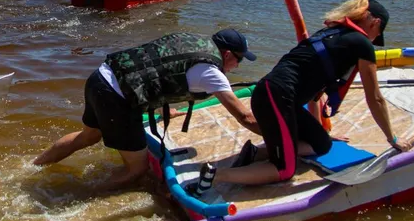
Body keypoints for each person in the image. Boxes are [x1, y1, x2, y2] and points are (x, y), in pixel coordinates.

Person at [188, 0, 400, 196]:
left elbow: (314, 94)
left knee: (322, 144)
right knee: (284, 170)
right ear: (375, 23)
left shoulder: (332, 34)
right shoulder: (361, 44)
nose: (374, 41)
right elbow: (375, 98)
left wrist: (320, 129)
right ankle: (215, 175)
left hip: (274, 95)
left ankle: (255, 153)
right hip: (277, 98)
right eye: (377, 35)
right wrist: (393, 138)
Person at [34, 29, 260, 189]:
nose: (238, 66)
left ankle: (34, 167)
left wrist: (164, 110)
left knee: (88, 136)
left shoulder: (190, 40)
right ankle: (74, 194)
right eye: (239, 60)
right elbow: (245, 117)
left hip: (101, 77)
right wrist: (278, 136)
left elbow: (156, 68)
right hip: (116, 97)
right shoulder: (212, 73)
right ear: (228, 54)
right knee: (137, 170)